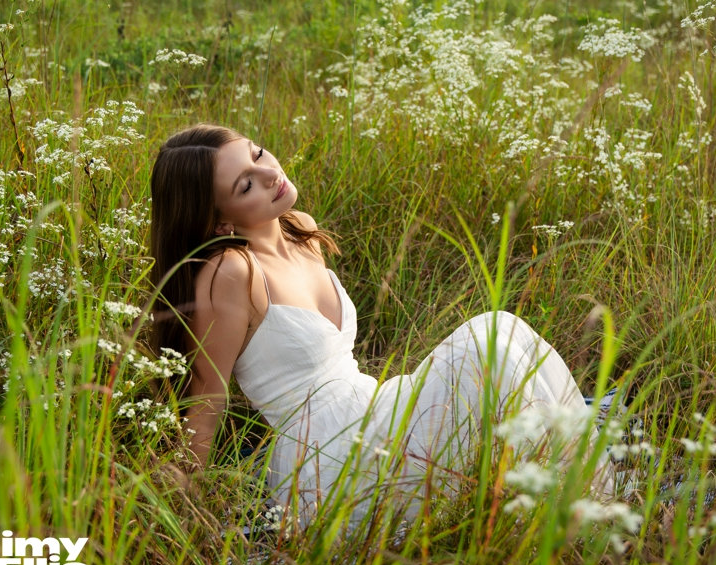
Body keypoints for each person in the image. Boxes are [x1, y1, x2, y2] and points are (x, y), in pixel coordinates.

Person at [149, 124, 611, 527]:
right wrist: (184, 514)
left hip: (369, 411)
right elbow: (208, 398)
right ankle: (579, 508)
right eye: (246, 184)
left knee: (501, 334)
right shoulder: (231, 272)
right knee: (487, 343)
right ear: (216, 221)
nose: (271, 174)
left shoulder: (299, 230)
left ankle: (577, 500)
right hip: (327, 458)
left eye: (258, 153)